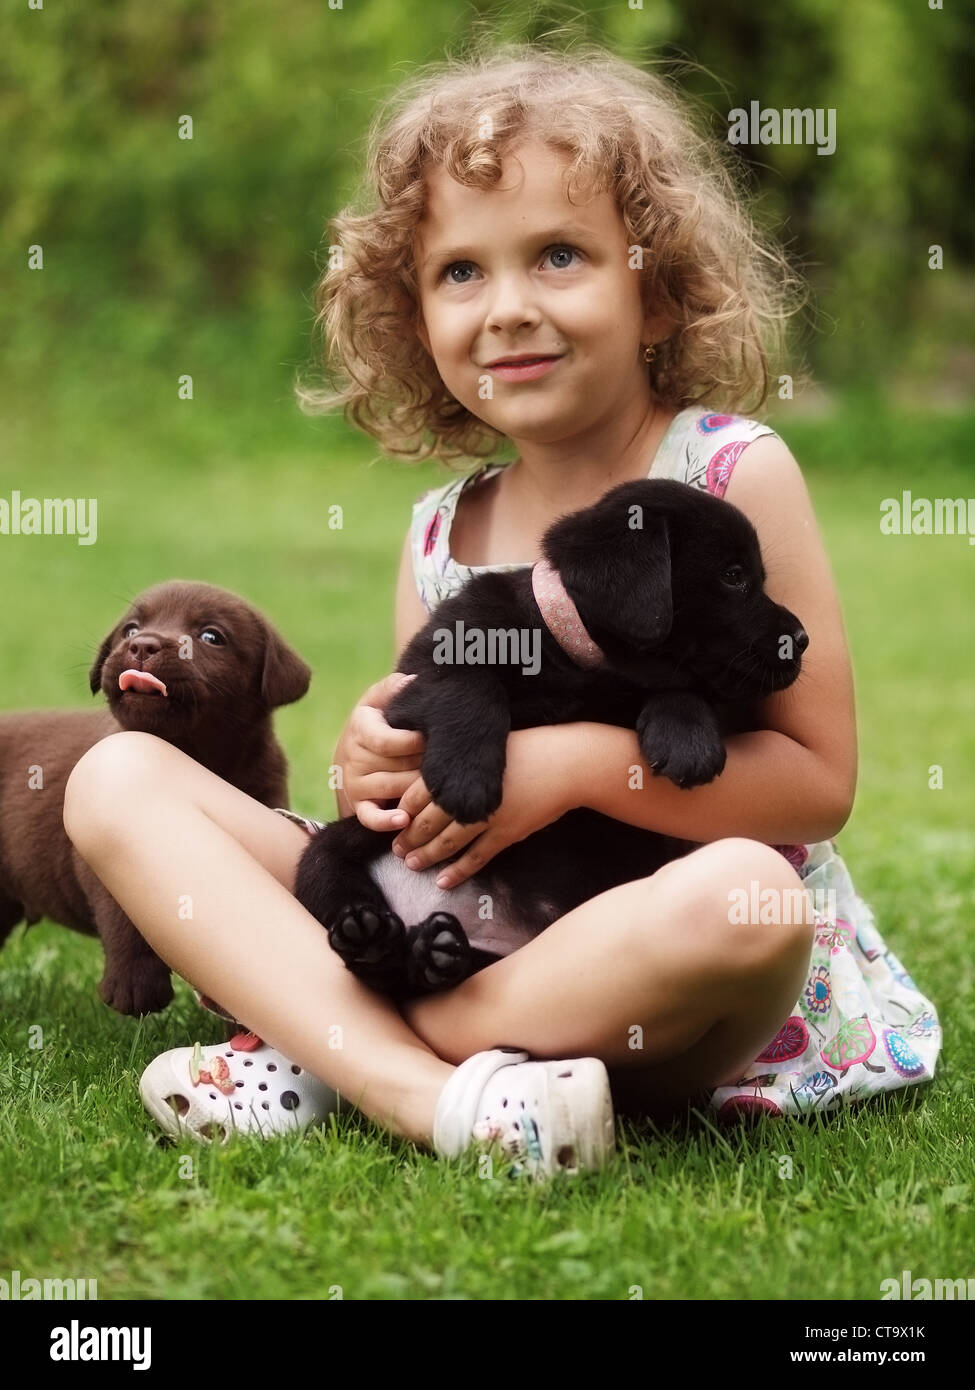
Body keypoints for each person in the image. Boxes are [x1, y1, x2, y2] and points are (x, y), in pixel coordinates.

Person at [62, 44, 941, 1177]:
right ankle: (438, 1098)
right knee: (111, 778)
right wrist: (369, 763)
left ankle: (339, 1045)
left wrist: (576, 766)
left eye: (560, 256)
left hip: (644, 972)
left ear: (658, 287)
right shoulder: (445, 529)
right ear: (410, 309)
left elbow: (817, 784)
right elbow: (416, 821)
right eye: (461, 273)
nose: (509, 309)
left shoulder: (727, 471)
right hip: (463, 933)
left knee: (753, 898)